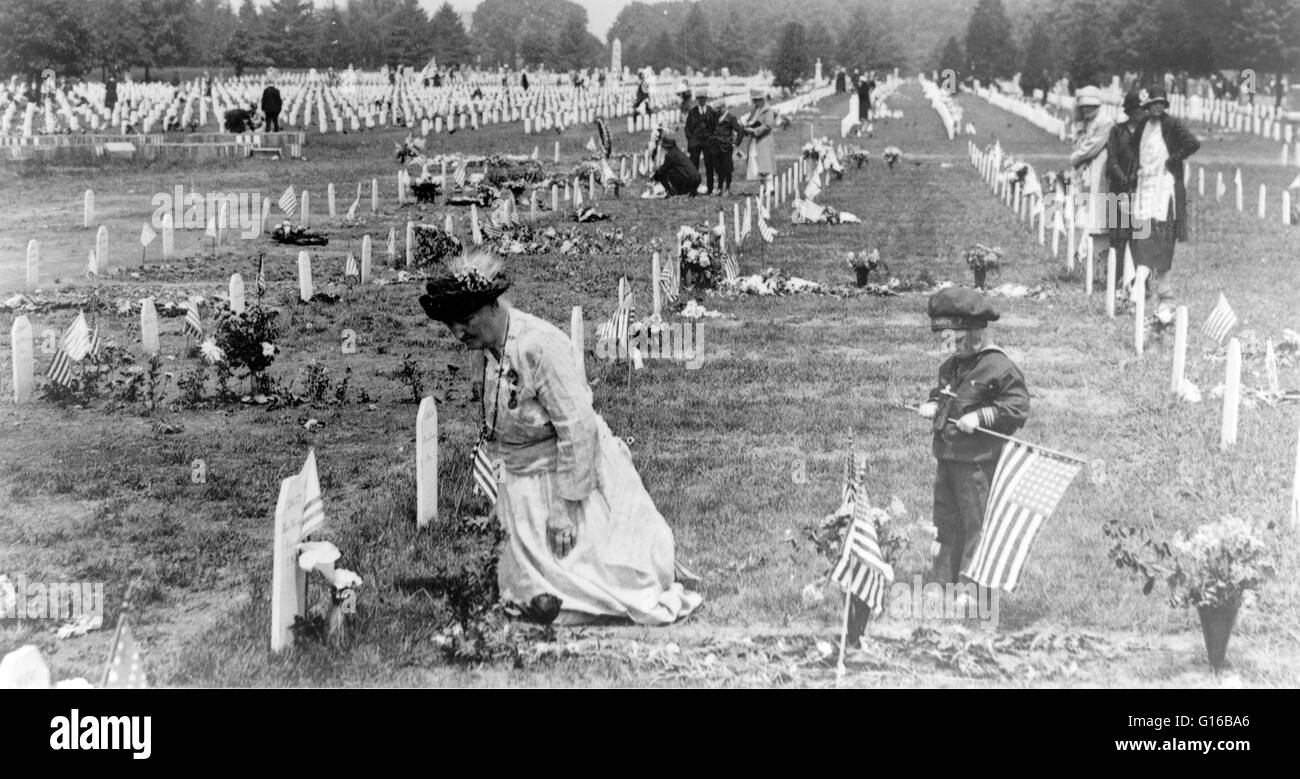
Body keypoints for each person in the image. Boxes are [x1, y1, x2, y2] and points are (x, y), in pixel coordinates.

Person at [417, 251, 703, 626]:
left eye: (466, 321)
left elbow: (578, 425)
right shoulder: (486, 348)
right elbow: (499, 430)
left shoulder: (540, 346)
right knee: (520, 597)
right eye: (451, 325)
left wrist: (565, 506)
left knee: (608, 589)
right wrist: (502, 498)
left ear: (492, 306)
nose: (458, 334)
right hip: (521, 481)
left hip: (565, 478)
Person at [916, 287, 1030, 585]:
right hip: (948, 457)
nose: (949, 347)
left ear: (975, 334)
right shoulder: (952, 365)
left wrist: (980, 416)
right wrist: (933, 403)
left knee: (974, 522)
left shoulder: (998, 366)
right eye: (946, 341)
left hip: (977, 463)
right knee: (944, 521)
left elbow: (1017, 407)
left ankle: (971, 585)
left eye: (954, 339)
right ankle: (942, 581)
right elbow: (945, 394)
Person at [1130, 85, 1200, 318]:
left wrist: (1173, 160)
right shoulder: (1143, 125)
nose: (1157, 107)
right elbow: (1133, 149)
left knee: (1162, 235)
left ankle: (1160, 288)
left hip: (1165, 187)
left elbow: (1192, 143)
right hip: (1145, 185)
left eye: (1161, 103)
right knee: (1143, 231)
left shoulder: (1171, 124)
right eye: (1153, 104)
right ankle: (1142, 282)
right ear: (1147, 106)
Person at [1069, 85, 1114, 279]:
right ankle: (1081, 260)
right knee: (1082, 215)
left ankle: (1098, 266)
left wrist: (1074, 158)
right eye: (1083, 106)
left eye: (1090, 105)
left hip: (1099, 171)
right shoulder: (1082, 123)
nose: (1086, 109)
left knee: (1097, 217)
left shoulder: (1105, 121)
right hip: (1084, 173)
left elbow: (1089, 148)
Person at [1105, 91, 1146, 267]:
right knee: (1118, 235)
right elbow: (1112, 160)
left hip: (1140, 190)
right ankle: (1117, 275)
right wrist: (1122, 178)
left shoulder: (1147, 133)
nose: (1141, 113)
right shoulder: (1117, 131)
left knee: (1140, 234)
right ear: (1129, 111)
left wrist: (1136, 178)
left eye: (1143, 110)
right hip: (1118, 189)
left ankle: (1140, 280)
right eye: (1137, 109)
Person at [707, 99, 744, 196]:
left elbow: (740, 131)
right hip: (716, 146)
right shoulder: (715, 117)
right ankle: (719, 188)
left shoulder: (731, 118)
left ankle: (727, 188)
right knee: (718, 168)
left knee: (727, 168)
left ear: (723, 108)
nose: (717, 112)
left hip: (726, 147)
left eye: (718, 110)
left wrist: (735, 143)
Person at [741, 88, 776, 192]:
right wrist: (746, 127)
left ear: (762, 99)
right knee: (757, 163)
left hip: (764, 140)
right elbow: (750, 121)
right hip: (755, 141)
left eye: (757, 100)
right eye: (754, 100)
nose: (755, 102)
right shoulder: (755, 110)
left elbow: (768, 125)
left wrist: (754, 130)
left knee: (766, 164)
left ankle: (770, 187)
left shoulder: (768, 110)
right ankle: (763, 187)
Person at [684, 89, 718, 192]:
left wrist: (712, 138)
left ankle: (710, 188)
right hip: (695, 142)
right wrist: (691, 139)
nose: (702, 101)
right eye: (700, 99)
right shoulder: (693, 111)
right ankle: (693, 189)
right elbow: (687, 127)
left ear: (706, 99)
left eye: (703, 99)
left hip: (708, 141)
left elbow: (715, 126)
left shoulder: (711, 111)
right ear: (697, 100)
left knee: (709, 164)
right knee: (694, 165)